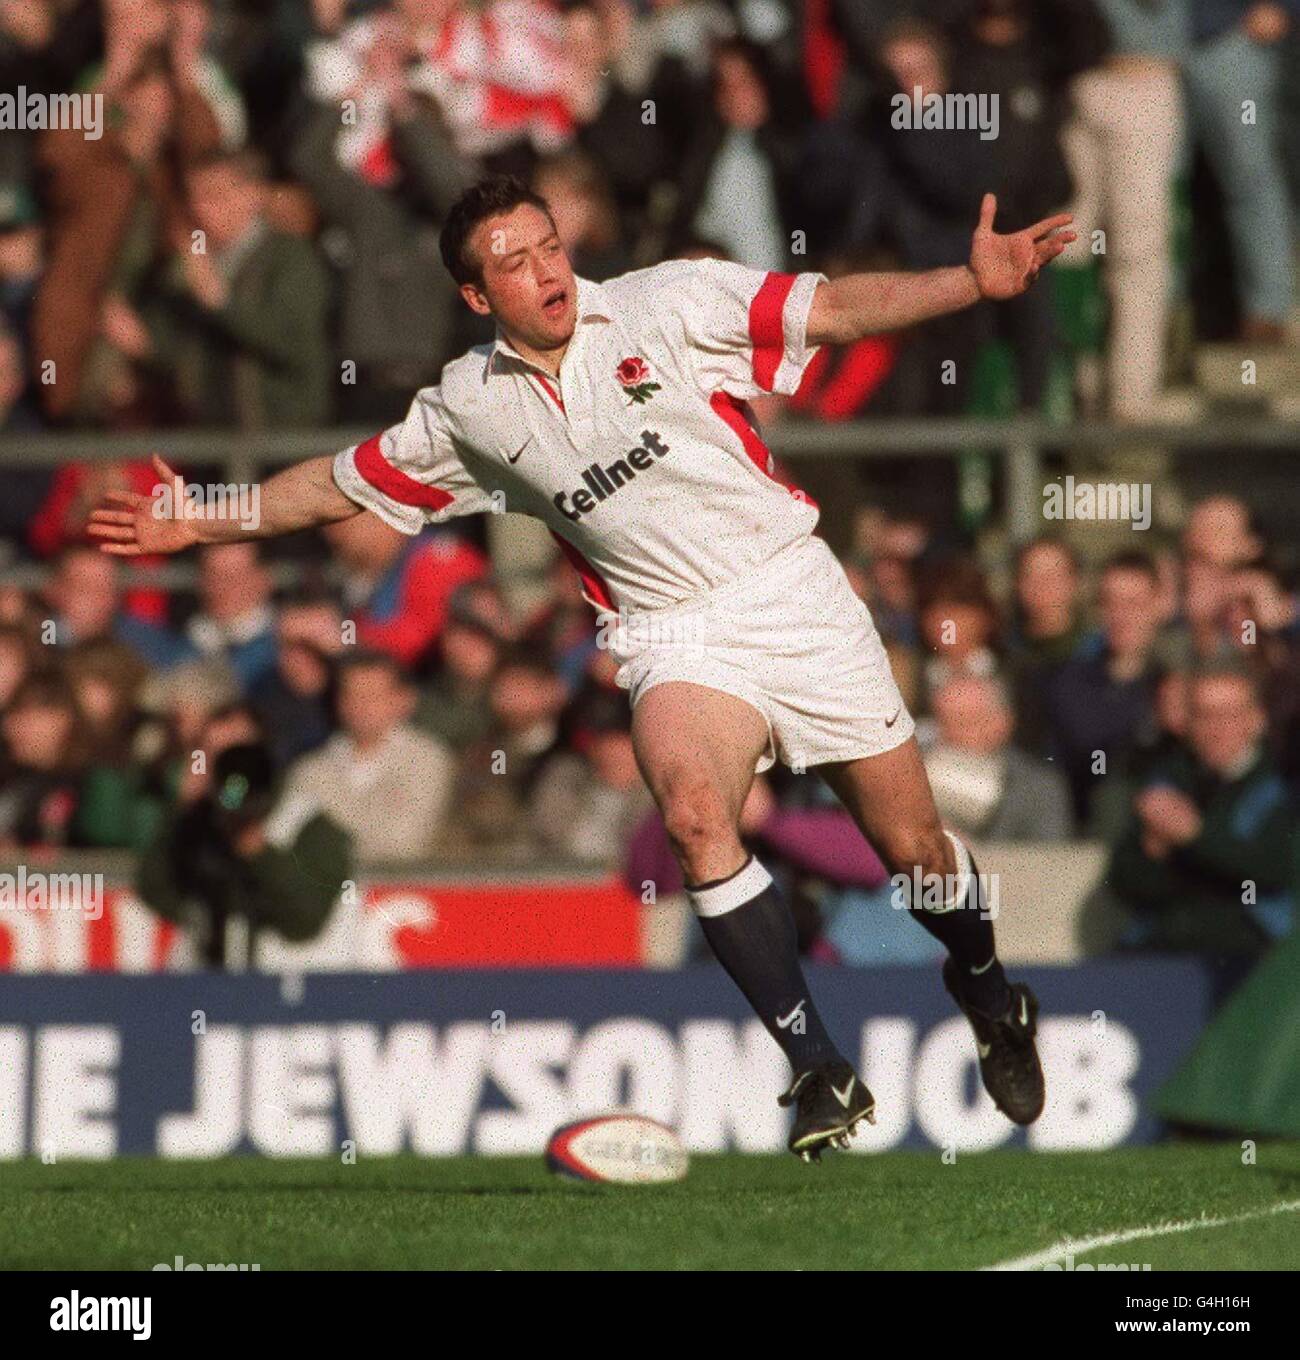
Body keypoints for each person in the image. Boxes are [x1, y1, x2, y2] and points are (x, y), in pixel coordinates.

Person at [89, 173, 1075, 1161]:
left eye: (547, 244)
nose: (543, 270)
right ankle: (816, 1062)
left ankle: (988, 990)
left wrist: (966, 282)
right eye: (511, 262)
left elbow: (834, 307)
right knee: (692, 812)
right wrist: (204, 515)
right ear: (478, 298)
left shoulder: (669, 300)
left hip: (792, 595)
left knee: (916, 855)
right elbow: (343, 482)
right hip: (669, 631)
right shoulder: (469, 406)